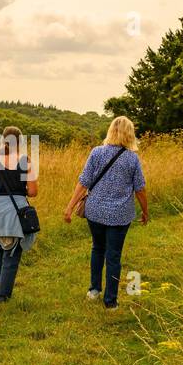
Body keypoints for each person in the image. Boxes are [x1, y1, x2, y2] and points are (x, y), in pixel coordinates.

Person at [63, 116, 147, 310]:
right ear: (129, 133)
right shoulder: (132, 158)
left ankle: (94, 290)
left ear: (111, 131)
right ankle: (110, 301)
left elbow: (83, 182)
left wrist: (69, 207)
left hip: (95, 212)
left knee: (97, 248)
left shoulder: (96, 153)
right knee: (114, 256)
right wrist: (145, 211)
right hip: (120, 214)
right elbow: (140, 189)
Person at [0, 126, 37, 302]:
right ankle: (2, 297)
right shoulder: (25, 161)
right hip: (13, 212)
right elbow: (33, 191)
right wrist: (19, 190)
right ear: (20, 142)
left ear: (3, 140)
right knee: (11, 254)